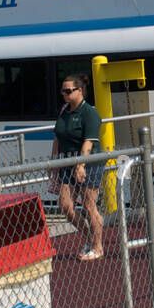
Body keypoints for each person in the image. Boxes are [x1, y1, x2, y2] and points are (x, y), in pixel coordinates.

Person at [50, 74, 105, 260]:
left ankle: (98, 247)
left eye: (68, 91)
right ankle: (89, 237)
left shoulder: (89, 113)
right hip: (66, 162)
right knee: (65, 205)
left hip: (89, 163)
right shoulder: (64, 110)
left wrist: (81, 165)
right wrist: (53, 161)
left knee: (89, 205)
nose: (64, 94)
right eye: (62, 91)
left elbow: (88, 142)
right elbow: (57, 137)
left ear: (79, 91)